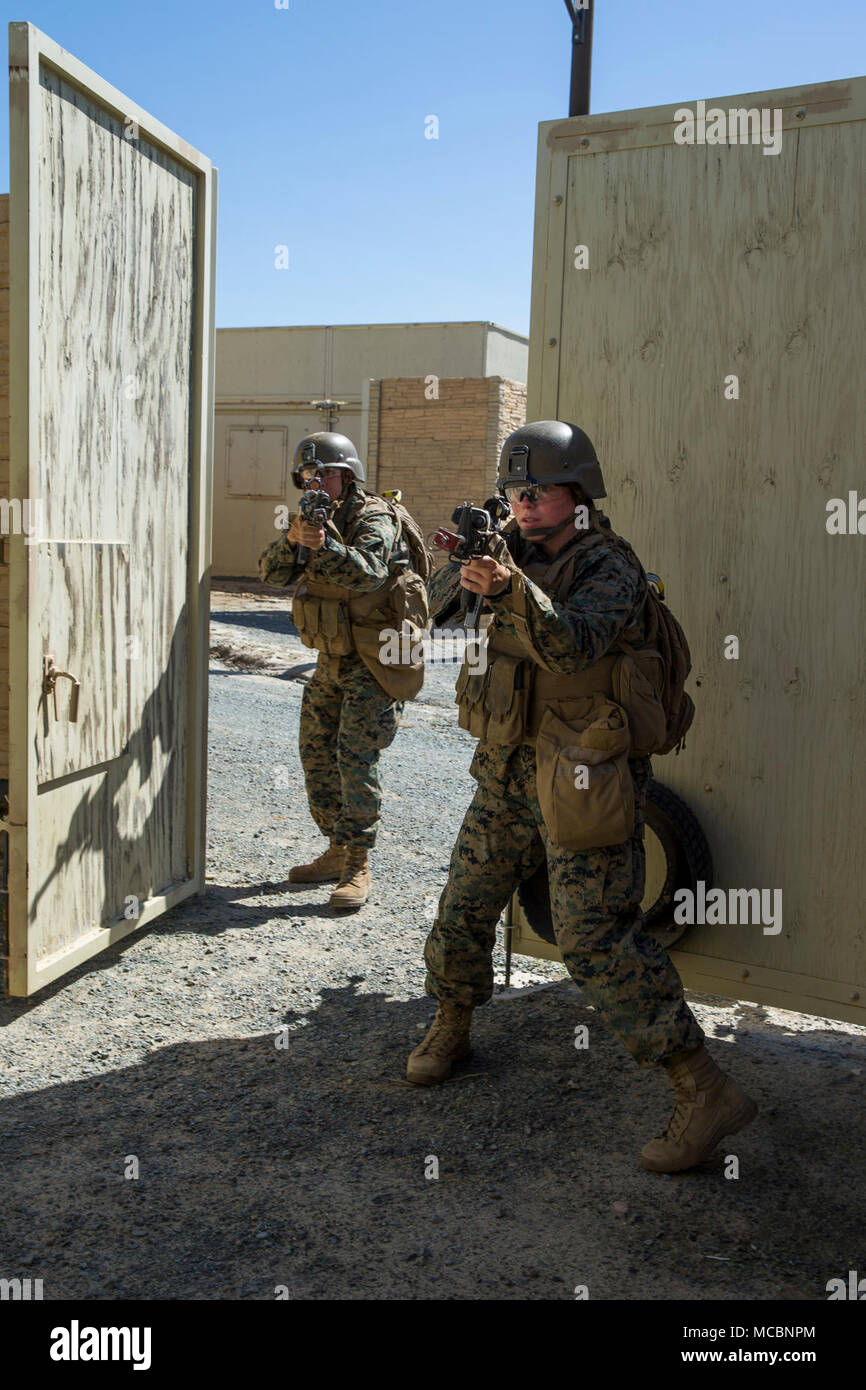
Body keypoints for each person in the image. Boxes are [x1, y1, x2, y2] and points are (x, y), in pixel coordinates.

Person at [406, 420, 757, 1173]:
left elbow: (570, 644)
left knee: (593, 938)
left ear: (578, 493)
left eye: (537, 492)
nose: (523, 505)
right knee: (464, 903)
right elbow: (430, 618)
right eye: (512, 492)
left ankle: (703, 1088)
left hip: (583, 773)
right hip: (507, 769)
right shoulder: (509, 549)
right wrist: (467, 564)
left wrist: (509, 587)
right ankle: (452, 1022)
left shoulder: (611, 568)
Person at [258, 431, 425, 910]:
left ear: (347, 476)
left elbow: (370, 572)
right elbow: (270, 574)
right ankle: (336, 848)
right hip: (332, 658)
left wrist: (325, 546)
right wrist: (294, 540)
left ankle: (357, 865)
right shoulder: (313, 519)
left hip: (375, 661)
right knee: (316, 752)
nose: (314, 482)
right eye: (307, 476)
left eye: (323, 473)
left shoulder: (374, 516)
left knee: (356, 757)